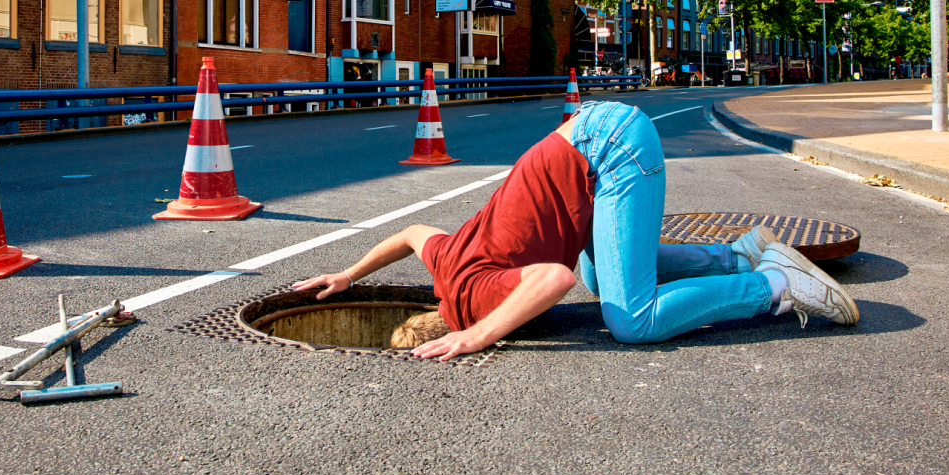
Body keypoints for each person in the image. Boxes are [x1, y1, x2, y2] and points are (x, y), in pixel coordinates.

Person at [294, 100, 859, 360]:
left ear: (450, 324)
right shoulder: (446, 269)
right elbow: (412, 232)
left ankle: (775, 285)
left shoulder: (476, 301)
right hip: (589, 135)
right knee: (599, 275)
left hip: (611, 151)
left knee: (632, 321)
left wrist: (479, 336)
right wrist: (348, 274)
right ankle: (740, 255)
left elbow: (553, 281)